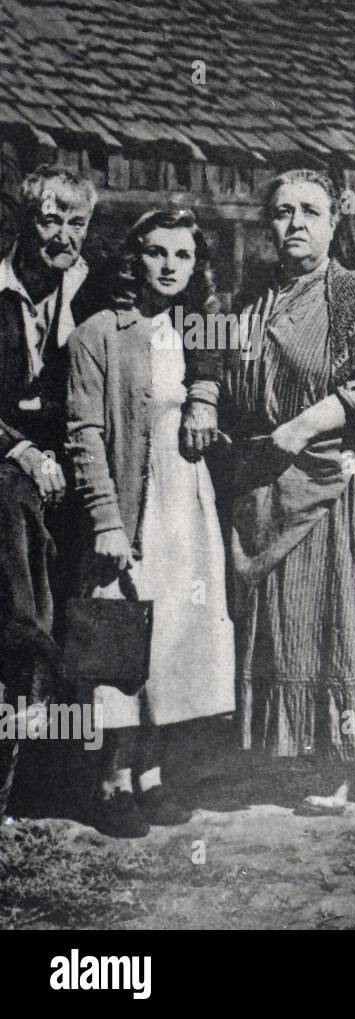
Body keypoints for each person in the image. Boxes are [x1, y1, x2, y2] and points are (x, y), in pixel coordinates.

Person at [192, 169, 355, 815]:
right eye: (282, 212)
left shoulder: (354, 294)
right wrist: (202, 399)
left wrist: (302, 426)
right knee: (272, 620)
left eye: (310, 211)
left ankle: (333, 761)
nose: (295, 224)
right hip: (256, 479)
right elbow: (206, 355)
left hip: (321, 480)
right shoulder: (249, 295)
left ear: (337, 220)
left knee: (326, 616)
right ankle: (276, 754)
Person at [66, 210, 236, 838]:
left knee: (174, 638)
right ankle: (110, 778)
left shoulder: (196, 325)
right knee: (119, 634)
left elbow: (217, 373)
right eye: (157, 253)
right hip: (130, 501)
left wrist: (205, 396)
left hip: (185, 499)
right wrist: (106, 521)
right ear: (133, 259)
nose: (169, 266)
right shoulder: (98, 333)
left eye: (183, 256)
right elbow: (83, 432)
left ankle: (153, 773)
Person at [0, 166, 99, 820]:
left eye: (75, 223)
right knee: (12, 505)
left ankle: (92, 758)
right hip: (9, 443)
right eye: (49, 220)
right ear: (24, 222)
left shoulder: (94, 284)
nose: (62, 236)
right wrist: (23, 449)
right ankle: (27, 667)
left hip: (74, 440)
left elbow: (183, 298)